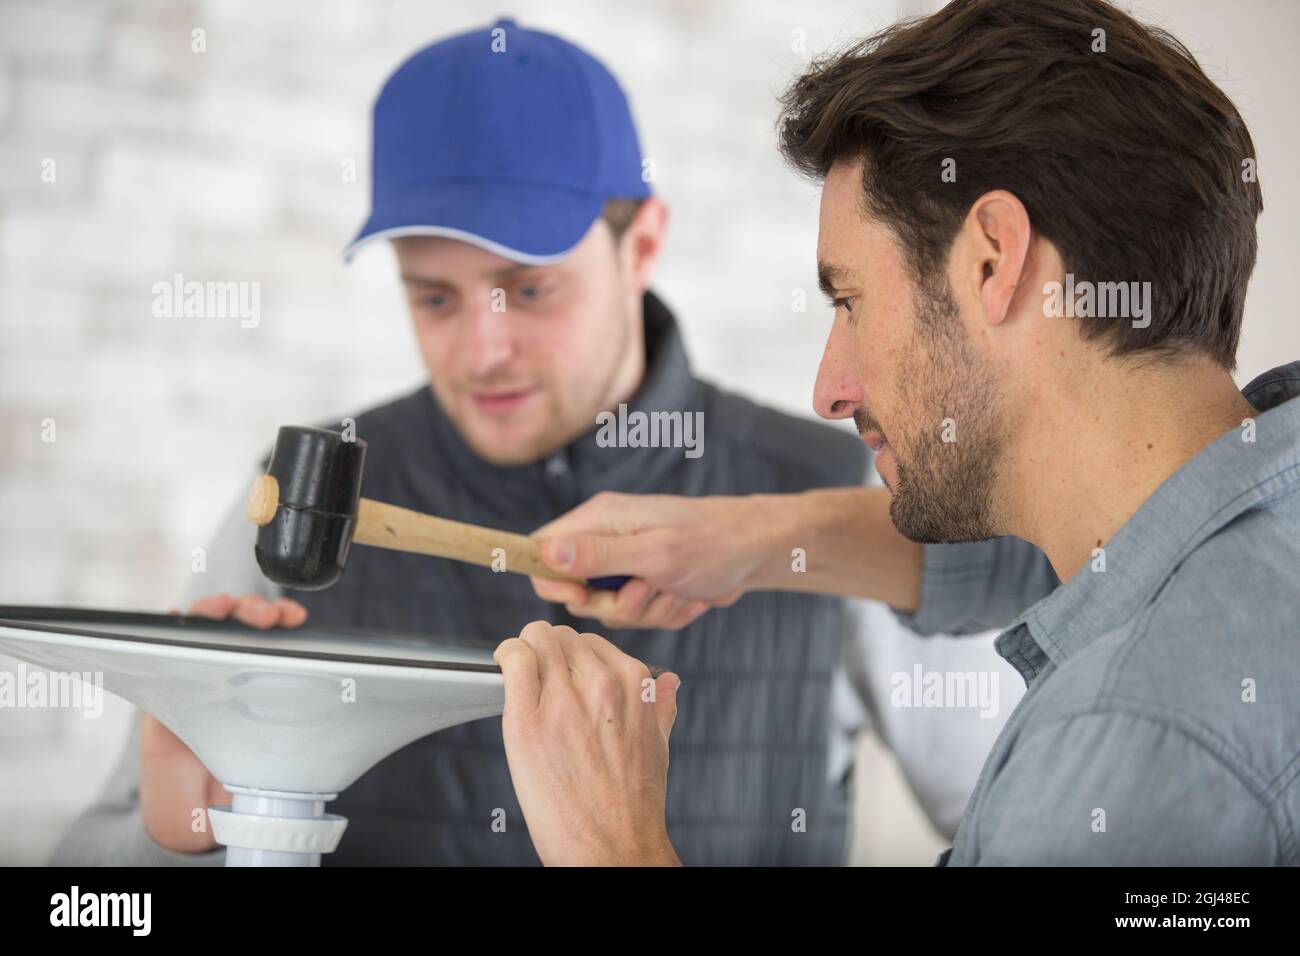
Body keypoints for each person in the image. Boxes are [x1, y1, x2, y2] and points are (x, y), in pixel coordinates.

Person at [52, 18, 1002, 866]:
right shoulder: (291, 494)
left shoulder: (843, 495)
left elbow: (1019, 825)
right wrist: (173, 846)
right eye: (434, 297)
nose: (483, 348)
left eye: (531, 288)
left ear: (642, 246)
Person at [493, 0, 1300, 865]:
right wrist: (755, 540)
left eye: (850, 302)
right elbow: (1083, 559)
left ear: (994, 260)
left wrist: (610, 844)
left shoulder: (1125, 736)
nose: (828, 391)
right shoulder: (1257, 511)